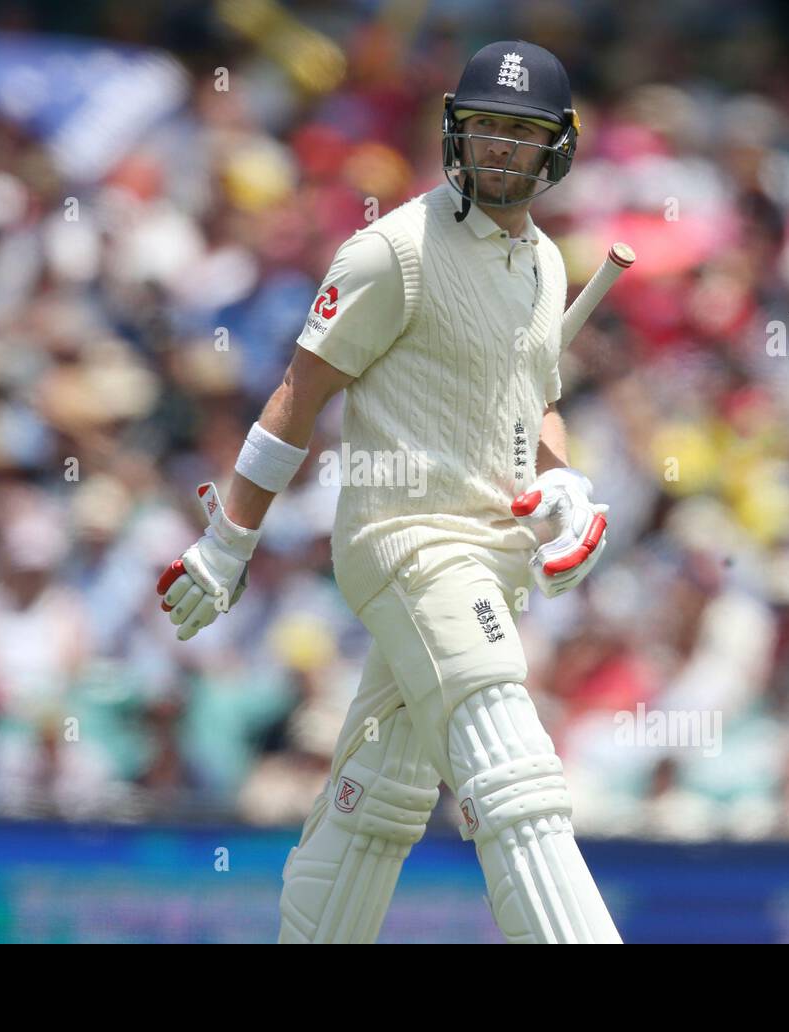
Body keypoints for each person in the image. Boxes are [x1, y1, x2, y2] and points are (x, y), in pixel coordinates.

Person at [158, 40, 621, 944]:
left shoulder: (547, 266)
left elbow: (540, 407)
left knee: (376, 806)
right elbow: (298, 395)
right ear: (455, 131)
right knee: (514, 778)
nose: (496, 148)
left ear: (555, 149)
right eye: (483, 127)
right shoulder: (393, 250)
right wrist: (229, 544)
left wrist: (565, 484)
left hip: (492, 552)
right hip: (410, 540)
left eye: (517, 134)